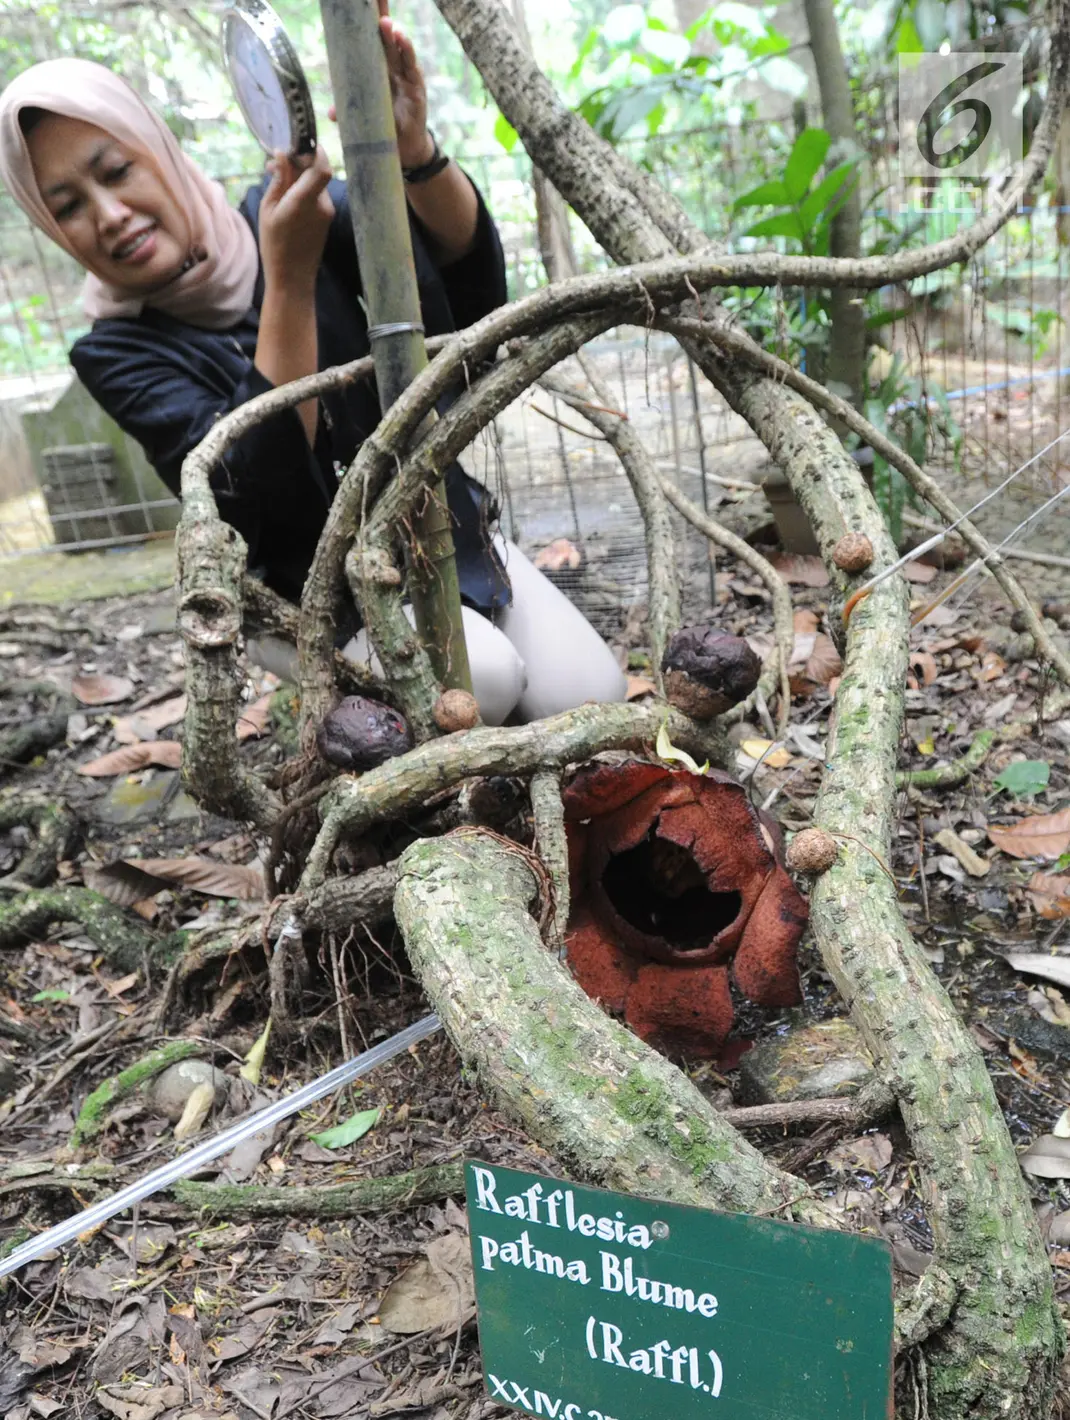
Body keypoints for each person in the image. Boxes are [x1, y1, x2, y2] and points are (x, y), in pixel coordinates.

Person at [0, 10, 626, 725]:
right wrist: (287, 284)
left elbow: (467, 307)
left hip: (432, 525)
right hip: (309, 595)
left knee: (592, 700)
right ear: (50, 229)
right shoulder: (115, 351)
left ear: (160, 153)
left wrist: (414, 150)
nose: (108, 214)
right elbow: (246, 491)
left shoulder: (291, 217)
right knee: (482, 682)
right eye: (69, 206)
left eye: (116, 171)